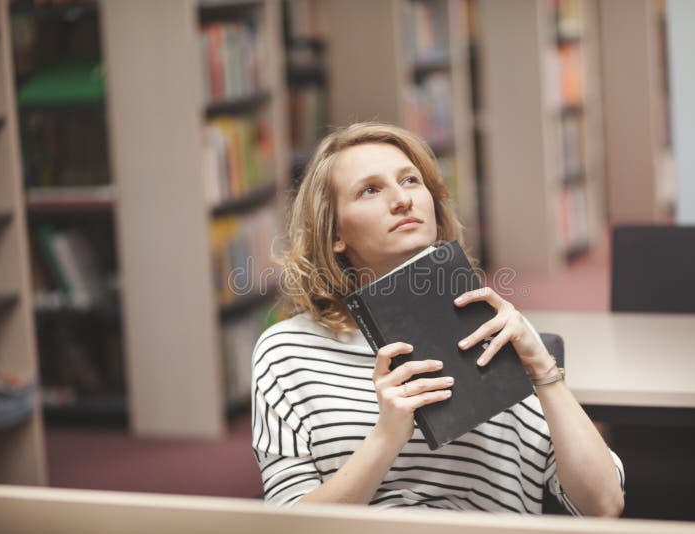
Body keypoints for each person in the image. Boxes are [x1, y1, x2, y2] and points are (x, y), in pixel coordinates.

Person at [251, 122, 625, 515]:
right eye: (370, 190)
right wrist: (385, 439)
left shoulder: (493, 329)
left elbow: (602, 504)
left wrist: (543, 371)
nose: (401, 200)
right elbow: (288, 524)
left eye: (411, 181)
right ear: (334, 234)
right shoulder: (287, 352)